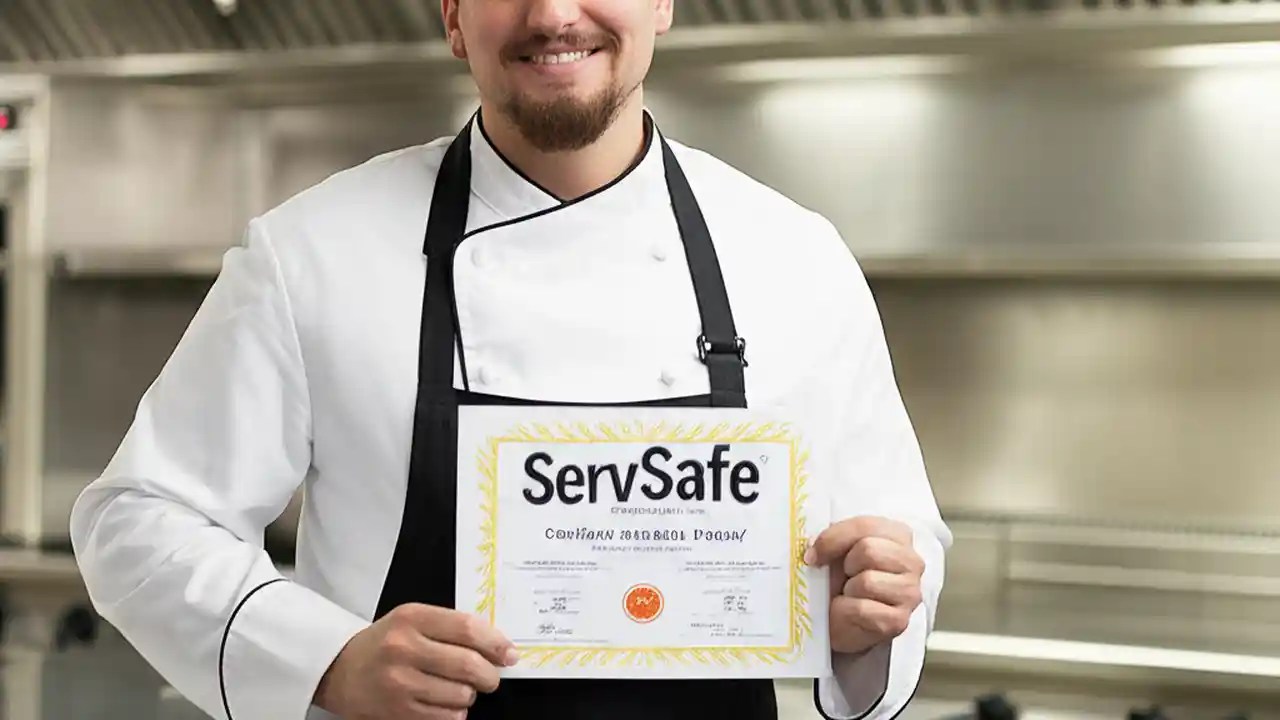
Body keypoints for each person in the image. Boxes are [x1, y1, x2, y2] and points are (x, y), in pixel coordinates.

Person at [68, 0, 952, 716]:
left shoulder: (794, 257)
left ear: (662, 4)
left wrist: (869, 618)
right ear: (453, 16)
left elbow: (898, 537)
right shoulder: (315, 251)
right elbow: (139, 519)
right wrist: (325, 660)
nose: (552, 13)